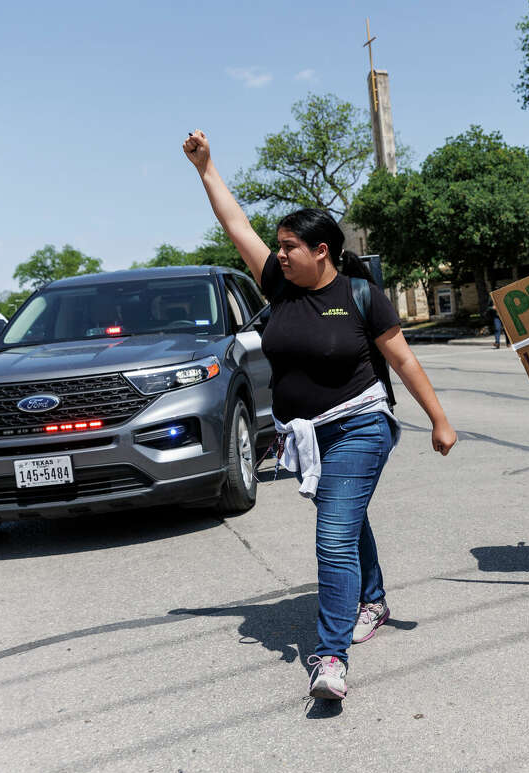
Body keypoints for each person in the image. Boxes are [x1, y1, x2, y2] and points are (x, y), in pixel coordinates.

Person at [183, 130, 457, 701]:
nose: (279, 254)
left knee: (332, 536)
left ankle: (330, 657)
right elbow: (236, 224)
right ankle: (372, 599)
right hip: (304, 436)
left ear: (321, 251)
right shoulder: (279, 288)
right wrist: (206, 168)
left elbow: (403, 360)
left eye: (290, 247)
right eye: (278, 247)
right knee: (347, 519)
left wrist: (439, 419)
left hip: (360, 424)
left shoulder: (362, 296)